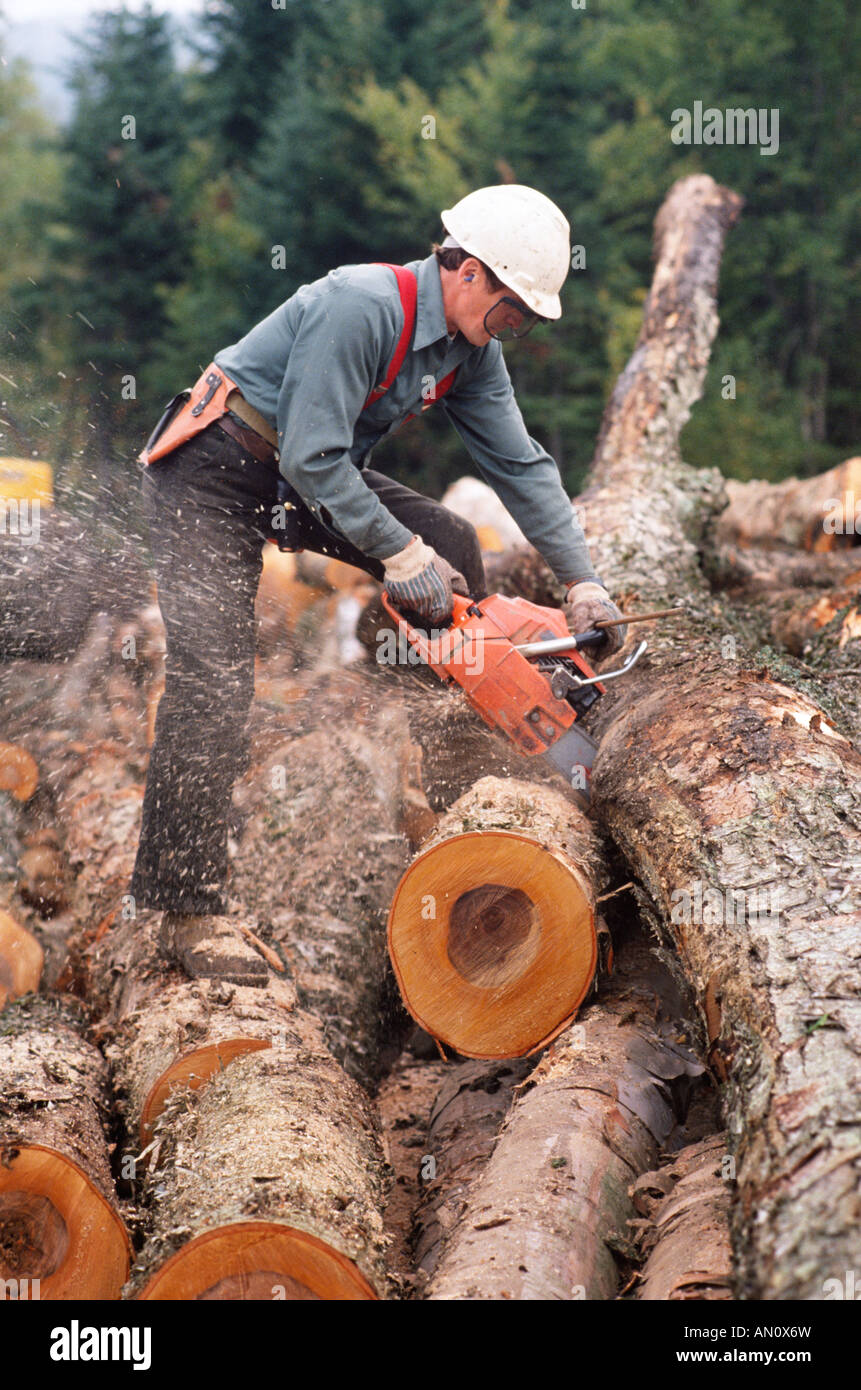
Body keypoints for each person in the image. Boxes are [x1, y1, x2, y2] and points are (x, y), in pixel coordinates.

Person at [129, 184, 626, 985]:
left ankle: (467, 790)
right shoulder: (359, 305)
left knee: (455, 543)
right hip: (214, 468)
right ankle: (185, 910)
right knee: (214, 679)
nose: (517, 329)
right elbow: (315, 458)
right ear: (466, 272)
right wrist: (398, 556)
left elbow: (521, 466)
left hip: (303, 474)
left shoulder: (472, 353)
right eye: (513, 312)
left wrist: (584, 583)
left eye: (527, 320)